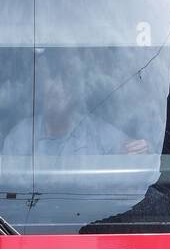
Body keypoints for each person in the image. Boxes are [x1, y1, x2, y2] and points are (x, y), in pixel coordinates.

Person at [1, 63, 149, 174]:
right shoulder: (21, 135)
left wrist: (140, 150)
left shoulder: (96, 131)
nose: (57, 89)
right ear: (42, 93)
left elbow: (132, 150)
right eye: (52, 93)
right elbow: (7, 182)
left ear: (74, 95)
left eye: (64, 82)